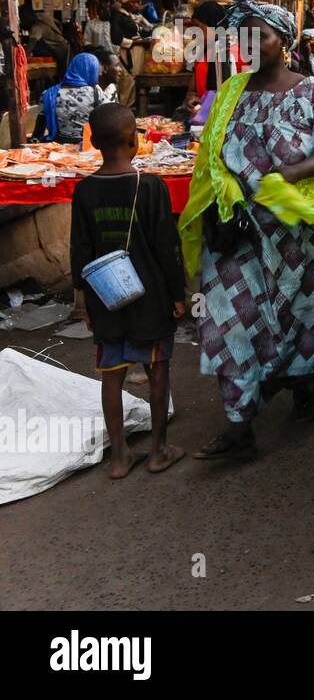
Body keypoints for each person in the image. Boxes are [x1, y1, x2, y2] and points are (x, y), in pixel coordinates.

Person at [178, 0, 314, 458]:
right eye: (244, 37)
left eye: (262, 36)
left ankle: (303, 384)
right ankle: (239, 429)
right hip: (236, 235)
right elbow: (209, 152)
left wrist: (288, 176)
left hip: (297, 238)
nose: (250, 45)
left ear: (285, 42)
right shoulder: (230, 91)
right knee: (228, 323)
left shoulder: (311, 93)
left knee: (304, 321)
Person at [70, 103, 186, 478]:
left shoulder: (84, 190)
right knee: (157, 370)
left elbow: (80, 250)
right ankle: (158, 451)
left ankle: (119, 458)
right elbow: (168, 247)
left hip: (106, 301)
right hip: (150, 300)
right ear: (133, 139)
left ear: (97, 144)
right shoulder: (150, 186)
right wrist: (178, 295)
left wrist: (83, 301)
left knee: (112, 376)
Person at [40, 51, 113, 144]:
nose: (99, 76)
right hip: (88, 148)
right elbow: (111, 118)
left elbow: (40, 127)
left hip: (57, 148)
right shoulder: (95, 93)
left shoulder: (48, 94)